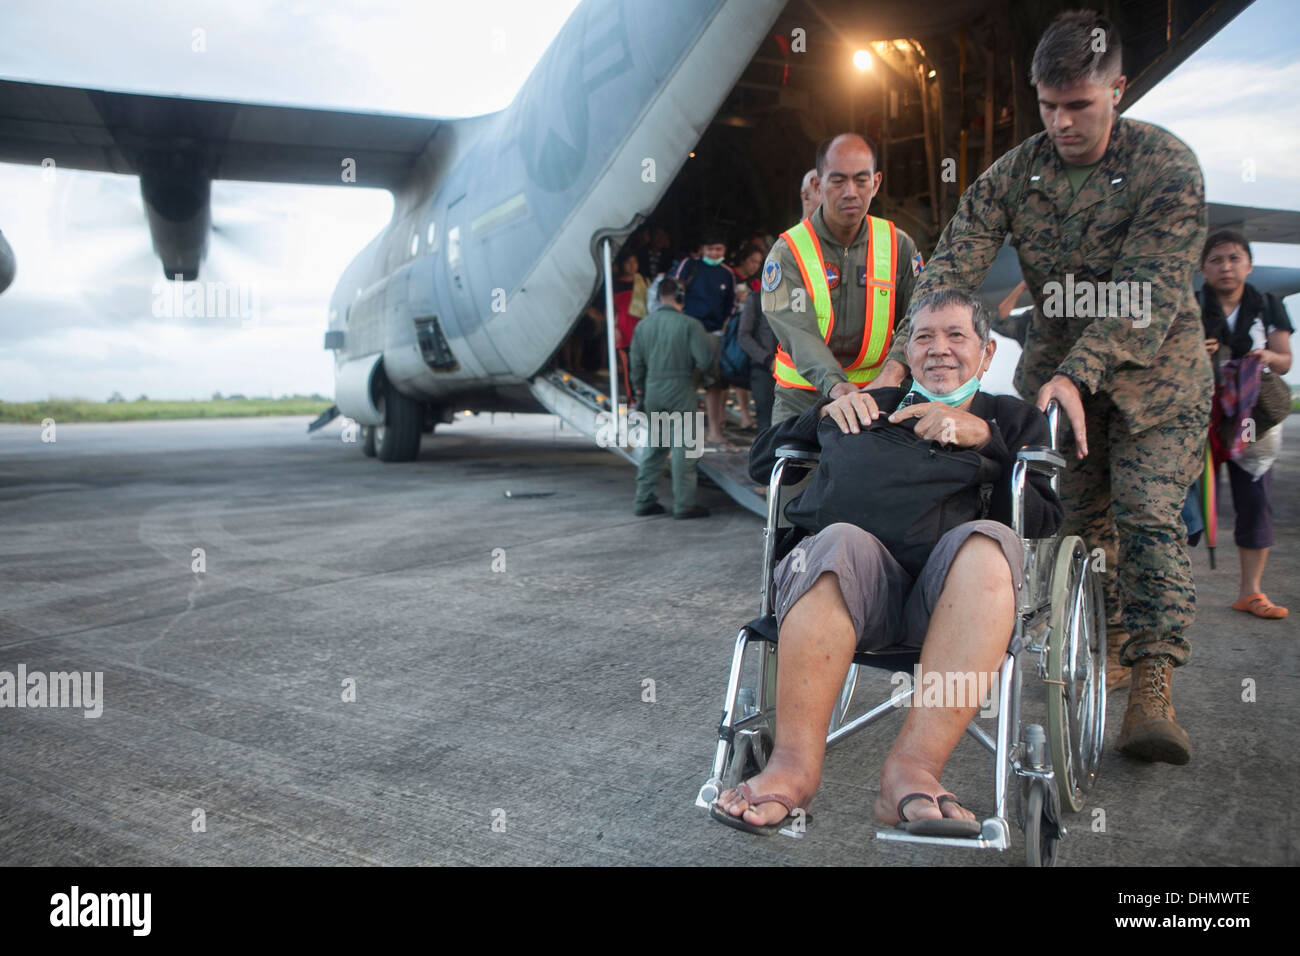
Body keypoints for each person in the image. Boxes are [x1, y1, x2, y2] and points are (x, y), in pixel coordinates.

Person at [875, 11, 1211, 764]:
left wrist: (1074, 373)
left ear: (1116, 90)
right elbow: (955, 261)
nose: (1061, 122)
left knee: (1147, 514)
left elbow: (1147, 294)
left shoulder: (1167, 166)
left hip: (1156, 381)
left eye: (1079, 105)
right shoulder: (1016, 173)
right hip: (1060, 384)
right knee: (1074, 529)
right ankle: (1109, 647)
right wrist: (901, 357)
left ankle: (1153, 686)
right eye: (1049, 105)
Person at [712, 290, 1062, 834]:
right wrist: (822, 412)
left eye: (955, 336)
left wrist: (986, 443)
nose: (939, 349)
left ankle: (913, 769)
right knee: (839, 541)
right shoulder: (872, 403)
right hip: (846, 590)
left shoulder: (1011, 421)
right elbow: (763, 461)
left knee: (988, 543)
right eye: (924, 337)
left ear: (986, 354)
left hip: (953, 604)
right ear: (908, 350)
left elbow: (1040, 520)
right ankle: (792, 768)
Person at [761, 134, 922, 424]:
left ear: (876, 183)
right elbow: (799, 333)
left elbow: (919, 317)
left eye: (861, 180)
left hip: (880, 399)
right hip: (803, 400)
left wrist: (893, 374)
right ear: (817, 185)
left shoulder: (899, 246)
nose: (851, 192)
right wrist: (836, 385)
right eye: (838, 181)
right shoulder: (788, 252)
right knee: (792, 468)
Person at [1199, 229, 1292, 619]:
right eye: (1217, 259)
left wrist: (1265, 356)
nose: (1226, 267)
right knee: (1185, 506)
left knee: (1255, 502)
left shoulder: (1268, 305)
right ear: (1203, 268)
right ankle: (1174, 593)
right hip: (1201, 418)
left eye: (1235, 258)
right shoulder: (1190, 306)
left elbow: (1285, 360)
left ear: (1249, 265)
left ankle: (1251, 592)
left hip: (1250, 421)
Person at [629, 277, 716, 519]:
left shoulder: (643, 326)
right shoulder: (690, 325)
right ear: (680, 297)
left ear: (658, 298)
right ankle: (684, 504)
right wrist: (702, 378)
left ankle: (643, 500)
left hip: (653, 390)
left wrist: (639, 391)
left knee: (655, 448)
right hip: (681, 388)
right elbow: (705, 360)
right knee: (685, 448)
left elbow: (636, 366)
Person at [672, 231, 736, 447]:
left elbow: (731, 304)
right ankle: (682, 433)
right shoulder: (689, 265)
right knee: (686, 382)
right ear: (702, 250)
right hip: (688, 332)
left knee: (714, 384)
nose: (714, 253)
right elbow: (673, 291)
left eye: (718, 249)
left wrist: (723, 326)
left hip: (714, 334)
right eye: (710, 249)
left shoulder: (727, 274)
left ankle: (715, 432)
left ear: (724, 251)